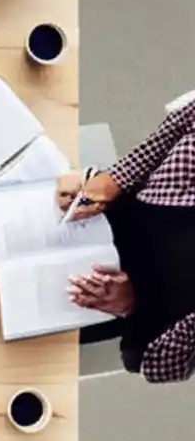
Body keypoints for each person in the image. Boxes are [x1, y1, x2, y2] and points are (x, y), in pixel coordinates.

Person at [56, 98, 195, 382]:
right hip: (88, 214)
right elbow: (181, 123)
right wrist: (113, 179)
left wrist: (134, 306)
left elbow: (157, 365)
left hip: (87, 299)